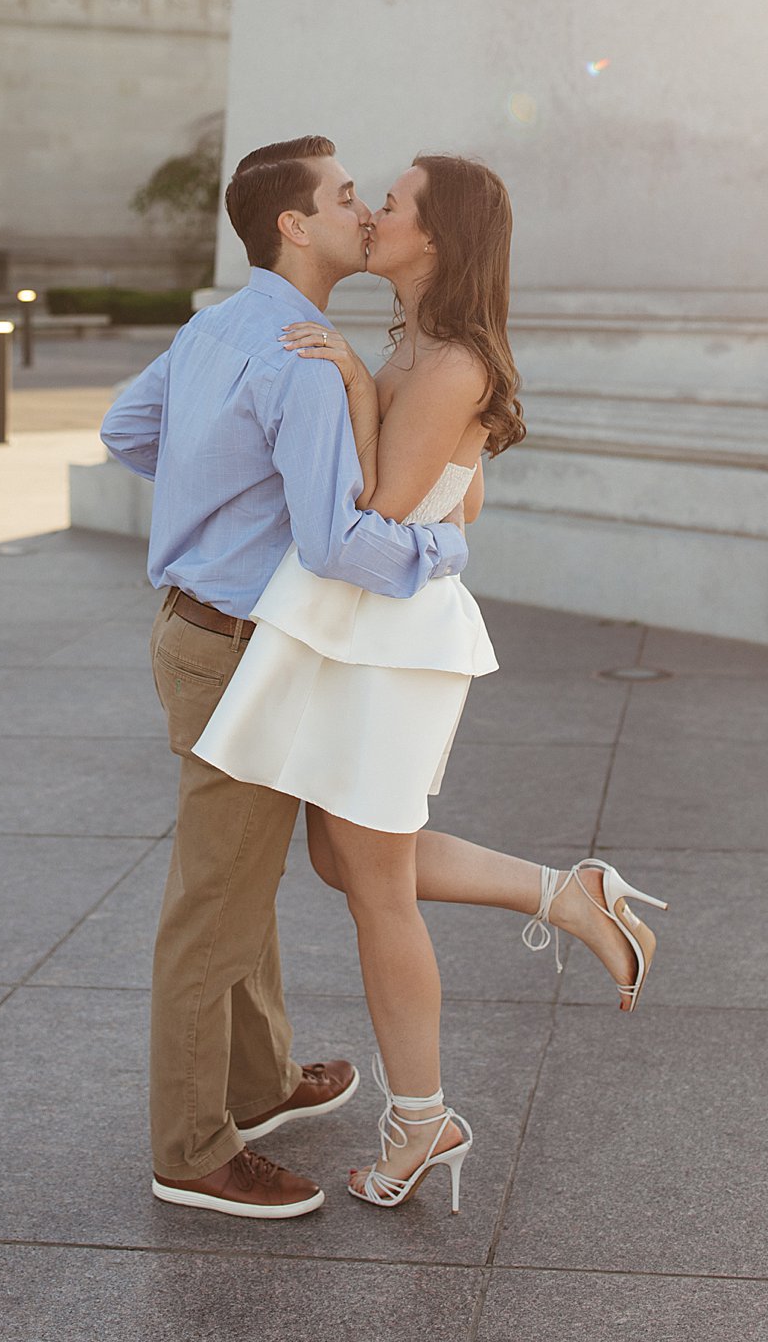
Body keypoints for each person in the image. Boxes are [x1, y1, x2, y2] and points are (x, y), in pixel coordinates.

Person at [193, 153, 667, 1213]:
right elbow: (464, 504)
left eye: (393, 203)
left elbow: (369, 502)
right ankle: (568, 894)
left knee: (373, 884)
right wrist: (385, 399)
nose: (373, 214)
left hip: (392, 641)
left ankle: (420, 1117)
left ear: (435, 237)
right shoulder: (420, 344)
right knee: (345, 857)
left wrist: (355, 387)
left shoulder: (443, 360)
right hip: (369, 626)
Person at [100, 135, 472, 1220]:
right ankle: (192, 1146)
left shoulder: (219, 321)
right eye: (346, 196)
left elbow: (128, 429)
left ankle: (259, 1082)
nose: (363, 210)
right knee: (213, 902)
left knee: (243, 863)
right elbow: (337, 543)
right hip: (236, 649)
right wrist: (446, 548)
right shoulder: (307, 359)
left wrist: (212, 496)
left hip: (188, 628)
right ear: (293, 225)